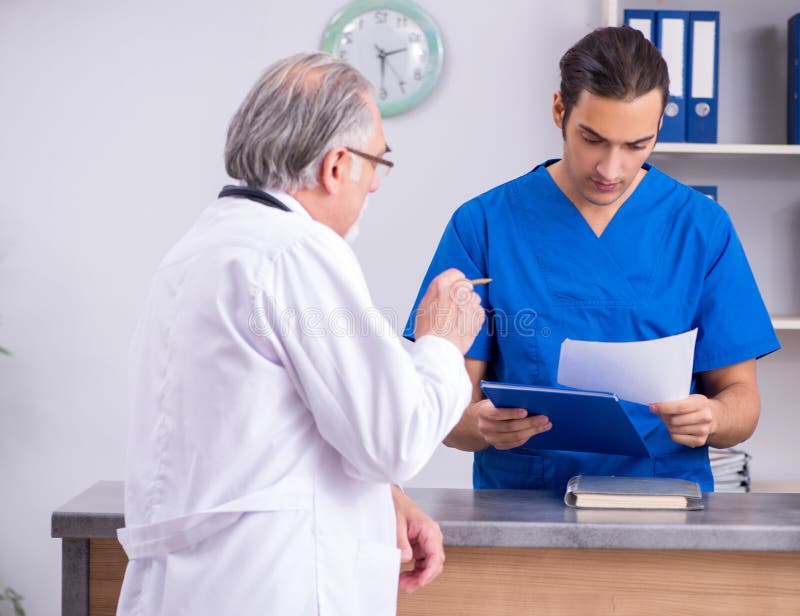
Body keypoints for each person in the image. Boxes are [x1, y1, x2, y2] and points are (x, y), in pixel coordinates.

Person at [116, 52, 485, 615]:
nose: (376, 187)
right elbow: (396, 438)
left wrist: (379, 496)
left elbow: (253, 434)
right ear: (338, 165)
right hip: (268, 584)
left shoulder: (198, 250)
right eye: (377, 163)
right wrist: (443, 341)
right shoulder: (296, 250)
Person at [404, 26, 780, 493]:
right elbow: (447, 405)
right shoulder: (483, 224)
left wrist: (715, 416)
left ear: (660, 126)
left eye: (636, 145)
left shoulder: (702, 227)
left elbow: (742, 401)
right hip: (523, 508)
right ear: (560, 110)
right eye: (593, 139)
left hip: (665, 504)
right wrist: (477, 425)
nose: (611, 169)